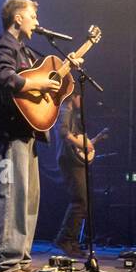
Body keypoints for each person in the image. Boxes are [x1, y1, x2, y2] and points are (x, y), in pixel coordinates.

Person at [0, 0, 79, 272]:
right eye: (33, 16)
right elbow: (3, 76)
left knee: (29, 197)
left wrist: (64, 72)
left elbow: (44, 84)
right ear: (18, 19)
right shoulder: (4, 46)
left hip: (27, 131)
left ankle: (19, 258)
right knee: (12, 194)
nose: (37, 22)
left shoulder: (26, 50)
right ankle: (4, 262)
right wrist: (38, 83)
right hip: (9, 132)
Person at [52, 88, 90, 256]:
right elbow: (62, 132)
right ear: (74, 96)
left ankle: (72, 241)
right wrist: (81, 144)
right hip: (69, 159)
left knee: (83, 202)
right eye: (80, 97)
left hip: (74, 159)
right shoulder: (65, 108)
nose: (81, 101)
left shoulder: (73, 113)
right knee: (79, 200)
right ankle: (64, 239)